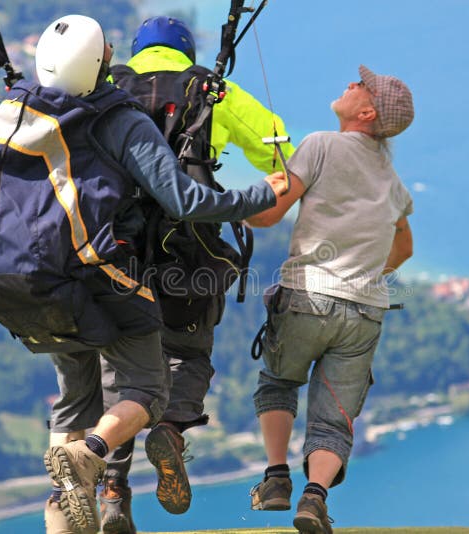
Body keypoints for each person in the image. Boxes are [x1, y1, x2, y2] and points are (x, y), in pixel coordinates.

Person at [0, 14, 287, 534]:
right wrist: (262, 194)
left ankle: (73, 509)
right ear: (100, 61)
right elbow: (186, 199)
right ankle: (96, 454)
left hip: (14, 283)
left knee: (76, 396)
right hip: (96, 273)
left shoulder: (16, 110)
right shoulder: (119, 119)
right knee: (147, 380)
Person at [97, 15, 295, 533]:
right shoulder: (213, 90)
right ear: (186, 52)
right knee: (189, 353)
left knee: (117, 373)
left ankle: (114, 492)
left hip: (116, 253)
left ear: (136, 50)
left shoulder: (106, 89)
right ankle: (171, 428)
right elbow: (281, 151)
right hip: (190, 253)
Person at [243, 65, 415, 533]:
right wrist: (362, 274)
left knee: (278, 383)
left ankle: (276, 478)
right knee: (332, 421)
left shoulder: (320, 144)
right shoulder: (395, 184)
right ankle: (313, 499)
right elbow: (404, 249)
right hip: (364, 312)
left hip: (307, 298)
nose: (351, 83)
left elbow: (268, 215)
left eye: (360, 86)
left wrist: (229, 203)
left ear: (365, 111)